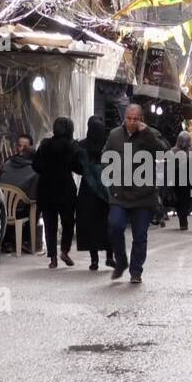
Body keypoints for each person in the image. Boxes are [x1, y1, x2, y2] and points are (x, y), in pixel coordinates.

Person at [103, 103, 169, 283]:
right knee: (115, 226)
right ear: (124, 118)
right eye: (128, 118)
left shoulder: (151, 134)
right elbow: (105, 156)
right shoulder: (115, 135)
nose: (131, 122)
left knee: (140, 236)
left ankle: (136, 271)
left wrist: (146, 133)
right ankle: (121, 261)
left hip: (143, 196)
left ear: (141, 119)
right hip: (119, 194)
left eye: (135, 119)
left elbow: (163, 153)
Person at [32, 117, 82, 269]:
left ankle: (52, 258)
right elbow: (78, 168)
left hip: (46, 189)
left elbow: (36, 166)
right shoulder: (71, 146)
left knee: (49, 224)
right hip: (65, 188)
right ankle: (65, 250)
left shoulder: (45, 144)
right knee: (68, 222)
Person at [76, 116, 114, 271]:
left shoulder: (81, 146)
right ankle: (110, 256)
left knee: (90, 223)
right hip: (107, 190)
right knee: (108, 223)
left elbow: (76, 166)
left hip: (88, 190)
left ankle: (94, 261)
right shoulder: (108, 145)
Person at [171, 132, 192, 230]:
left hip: (187, 181)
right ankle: (183, 220)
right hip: (178, 180)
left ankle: (183, 218)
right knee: (182, 201)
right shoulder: (173, 151)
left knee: (185, 201)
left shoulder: (191, 151)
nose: (184, 142)